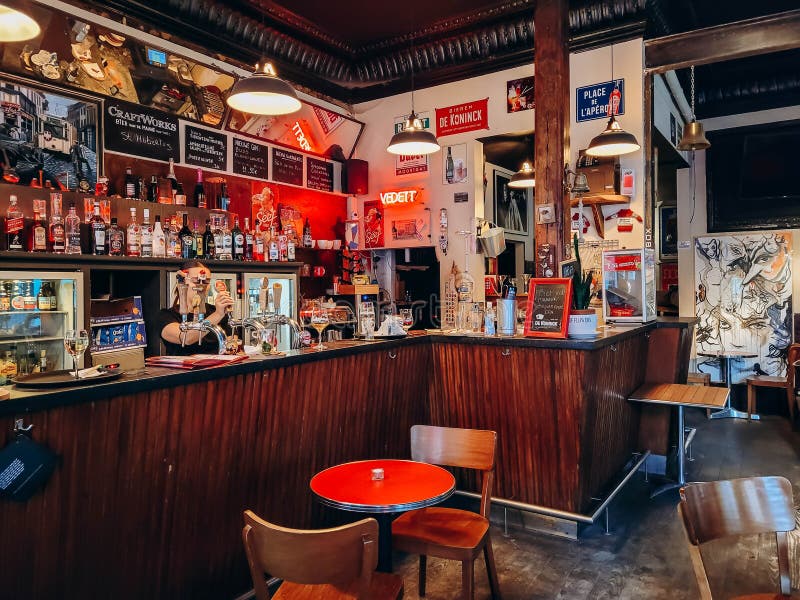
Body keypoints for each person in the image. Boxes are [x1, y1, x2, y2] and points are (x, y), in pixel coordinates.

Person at [157, 260, 234, 355]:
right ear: (181, 284)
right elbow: (187, 338)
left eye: (206, 282)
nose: (201, 286)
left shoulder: (216, 311)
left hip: (216, 368)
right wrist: (218, 314)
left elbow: (232, 344)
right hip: (186, 370)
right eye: (196, 281)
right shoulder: (166, 316)